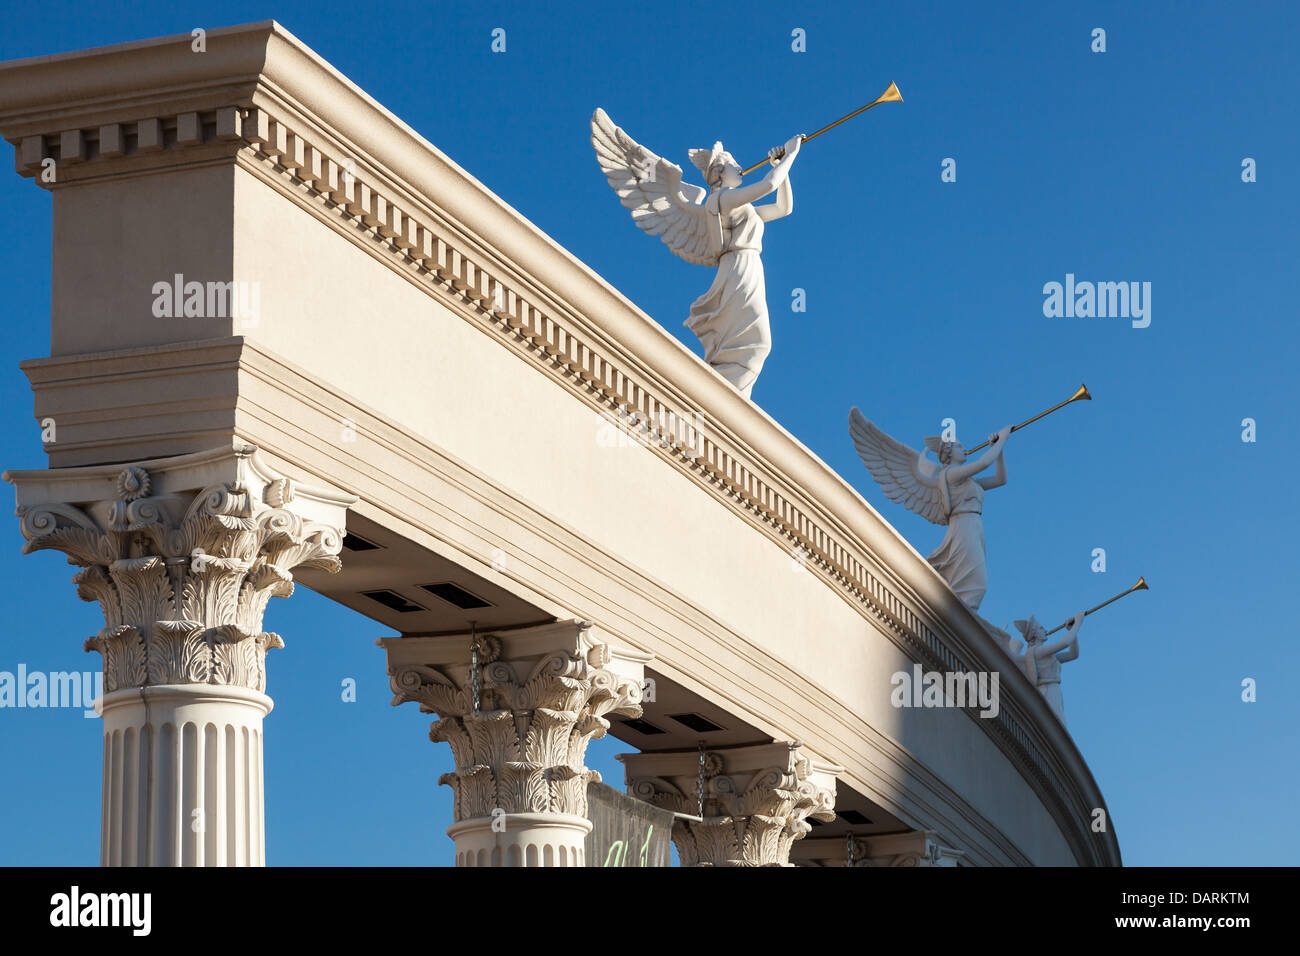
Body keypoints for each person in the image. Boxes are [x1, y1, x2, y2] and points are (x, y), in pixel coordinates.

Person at [1010, 612, 1084, 722]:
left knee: (1060, 721)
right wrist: (1078, 623)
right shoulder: (1036, 652)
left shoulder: (1047, 655)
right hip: (1048, 691)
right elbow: (1064, 643)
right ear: (1035, 634)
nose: (1045, 630)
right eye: (1041, 628)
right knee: (1058, 722)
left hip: (1054, 690)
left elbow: (1073, 654)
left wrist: (1072, 630)